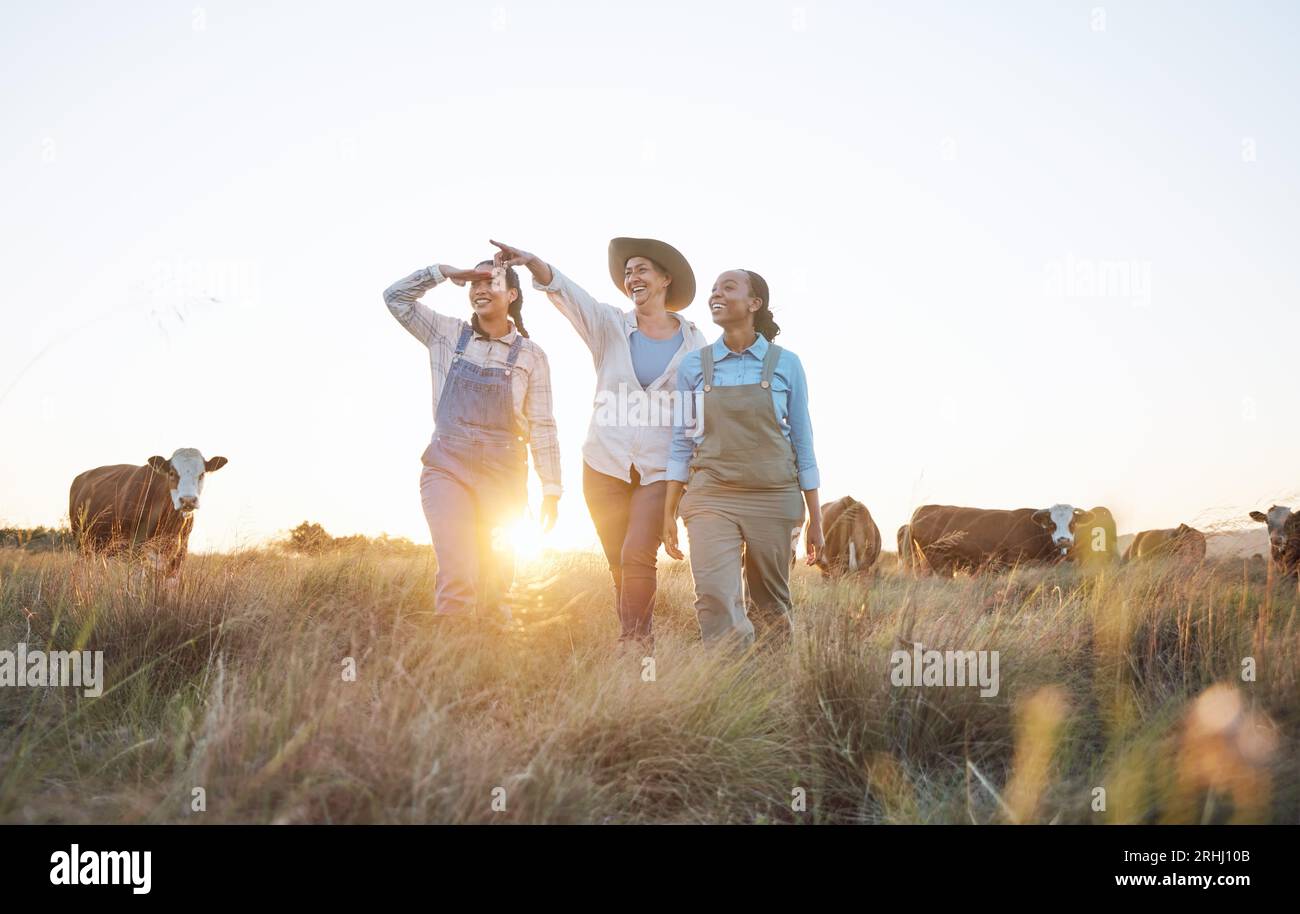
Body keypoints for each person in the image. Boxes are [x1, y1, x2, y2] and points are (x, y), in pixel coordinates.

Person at [490, 237, 709, 647]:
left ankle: (636, 644)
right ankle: (634, 642)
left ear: (665, 279)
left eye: (642, 269)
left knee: (638, 554)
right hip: (603, 463)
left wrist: (693, 473)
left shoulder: (696, 344)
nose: (632, 278)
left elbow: (698, 414)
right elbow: (568, 295)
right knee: (618, 565)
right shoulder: (609, 325)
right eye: (628, 272)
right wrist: (535, 262)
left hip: (661, 468)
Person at [383, 259, 560, 621]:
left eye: (490, 281)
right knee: (458, 574)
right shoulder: (445, 334)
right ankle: (453, 667)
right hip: (448, 468)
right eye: (474, 283)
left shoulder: (532, 355)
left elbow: (543, 425)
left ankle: (494, 669)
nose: (480, 289)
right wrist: (443, 273)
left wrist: (552, 489)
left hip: (504, 477)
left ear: (512, 294)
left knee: (496, 585)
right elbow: (395, 298)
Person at [662, 269, 823, 647]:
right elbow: (682, 444)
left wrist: (817, 517)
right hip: (711, 496)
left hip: (774, 496)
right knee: (715, 597)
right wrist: (669, 510)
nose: (715, 293)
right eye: (714, 289)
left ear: (754, 303)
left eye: (727, 287)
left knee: (772, 606)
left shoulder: (787, 364)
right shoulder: (693, 366)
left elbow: (803, 442)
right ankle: (728, 689)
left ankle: (770, 694)